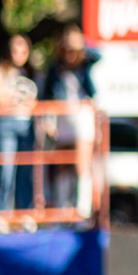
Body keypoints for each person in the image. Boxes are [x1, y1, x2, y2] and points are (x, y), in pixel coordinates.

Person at [37, 24, 99, 218]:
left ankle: (82, 211)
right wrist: (48, 121)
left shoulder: (85, 65)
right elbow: (46, 96)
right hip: (63, 119)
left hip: (82, 118)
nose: (71, 52)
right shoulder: (55, 69)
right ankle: (62, 210)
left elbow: (99, 54)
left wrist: (81, 45)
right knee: (63, 165)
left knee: (81, 163)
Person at [0, 32, 38, 216]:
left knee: (25, 174)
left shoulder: (33, 73)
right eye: (14, 49)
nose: (18, 54)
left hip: (27, 126)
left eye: (22, 50)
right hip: (6, 125)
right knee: (5, 172)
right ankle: (0, 213)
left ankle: (23, 214)